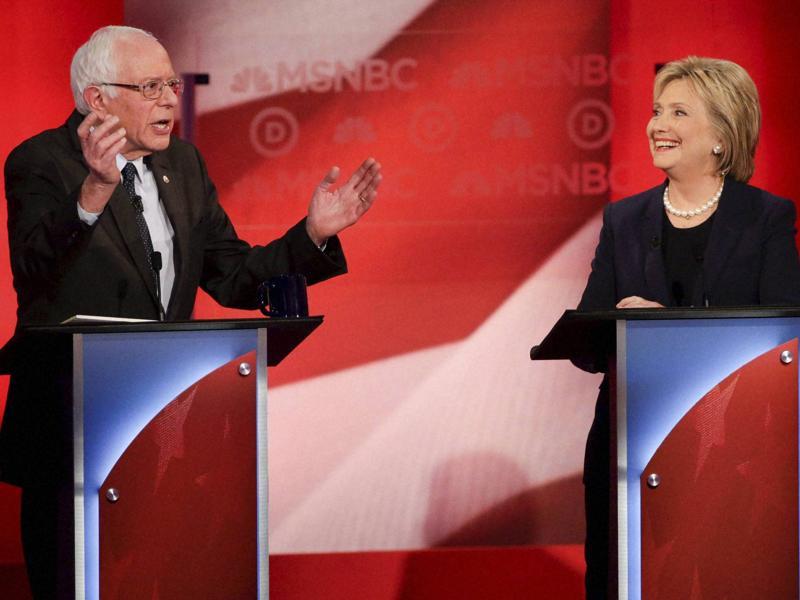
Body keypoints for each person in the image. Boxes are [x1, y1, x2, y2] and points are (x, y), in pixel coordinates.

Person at [0, 25, 381, 598]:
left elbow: (231, 275)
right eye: (150, 87)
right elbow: (34, 267)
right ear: (97, 98)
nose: (169, 100)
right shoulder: (40, 160)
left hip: (167, 430)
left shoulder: (182, 164)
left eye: (172, 85)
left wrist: (312, 237)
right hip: (72, 435)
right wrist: (94, 191)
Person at [576, 56, 800, 598]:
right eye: (657, 111)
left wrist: (669, 327)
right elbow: (587, 343)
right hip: (629, 440)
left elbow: (786, 334)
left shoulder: (765, 218)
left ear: (722, 135)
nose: (658, 124)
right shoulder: (623, 221)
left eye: (678, 112)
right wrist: (628, 326)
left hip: (738, 445)